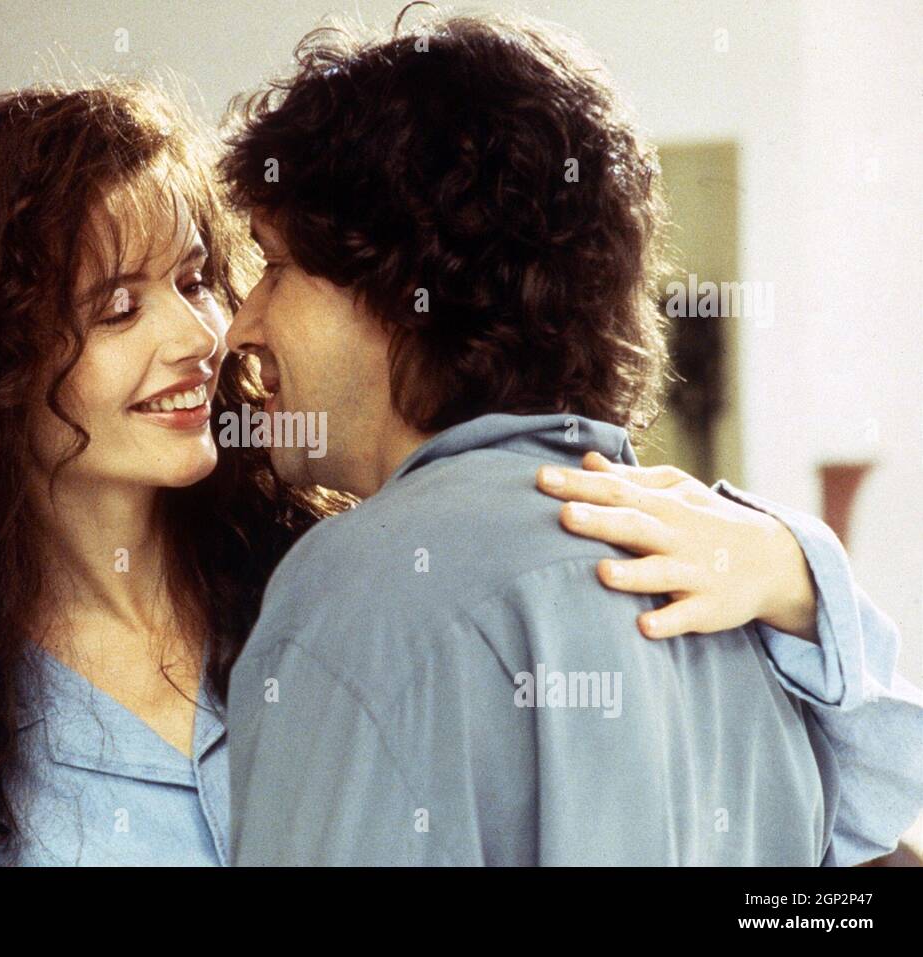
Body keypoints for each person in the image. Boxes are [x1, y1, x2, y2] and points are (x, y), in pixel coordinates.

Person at [0, 79, 906, 868]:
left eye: (202, 278)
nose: (200, 335)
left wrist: (802, 573)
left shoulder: (354, 577)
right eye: (118, 307)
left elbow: (856, 816)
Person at [218, 12, 923, 865]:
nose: (241, 326)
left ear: (399, 286)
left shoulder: (362, 590)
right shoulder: (731, 605)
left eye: (276, 266)